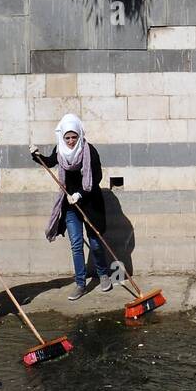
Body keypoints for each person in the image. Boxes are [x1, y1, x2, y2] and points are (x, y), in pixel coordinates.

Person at [31, 114, 112, 301]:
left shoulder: (89, 150)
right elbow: (51, 162)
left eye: (73, 137)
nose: (70, 141)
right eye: (67, 137)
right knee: (76, 244)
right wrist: (36, 155)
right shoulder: (60, 150)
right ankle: (80, 284)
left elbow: (97, 176)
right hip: (70, 205)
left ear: (79, 135)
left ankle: (103, 274)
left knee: (95, 243)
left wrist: (81, 194)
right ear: (62, 137)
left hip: (90, 202)